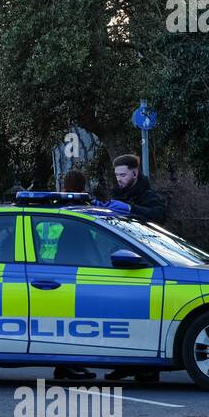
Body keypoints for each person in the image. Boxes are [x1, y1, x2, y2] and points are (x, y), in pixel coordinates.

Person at [101, 154, 164, 382]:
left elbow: (158, 216)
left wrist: (130, 208)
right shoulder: (117, 192)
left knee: (143, 316)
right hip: (120, 259)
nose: (119, 179)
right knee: (121, 317)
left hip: (144, 260)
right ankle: (123, 365)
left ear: (135, 173)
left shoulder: (148, 194)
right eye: (117, 175)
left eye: (123, 175)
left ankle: (147, 368)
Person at [51, 169, 97, 382]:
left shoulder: (59, 209)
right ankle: (68, 366)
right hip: (67, 277)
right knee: (72, 321)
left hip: (54, 273)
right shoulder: (79, 214)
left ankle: (69, 365)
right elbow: (87, 252)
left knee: (66, 321)